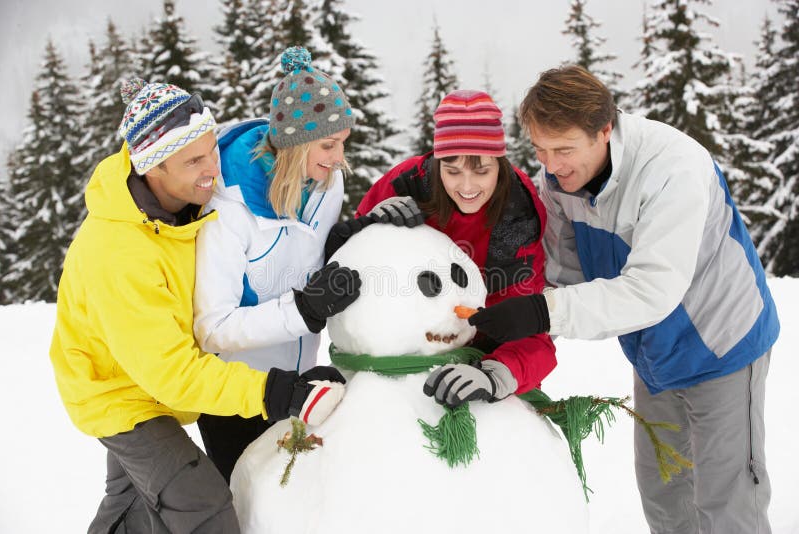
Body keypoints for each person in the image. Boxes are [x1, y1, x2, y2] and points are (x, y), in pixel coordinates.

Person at [468, 66, 779, 533]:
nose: (551, 165)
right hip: (653, 353)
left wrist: (541, 312)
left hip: (722, 343)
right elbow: (564, 273)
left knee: (726, 498)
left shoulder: (672, 170)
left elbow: (651, 289)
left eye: (564, 150)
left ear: (605, 129)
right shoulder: (559, 180)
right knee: (664, 491)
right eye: (541, 150)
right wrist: (506, 309)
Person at [49, 76, 351, 533]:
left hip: (153, 378)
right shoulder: (120, 254)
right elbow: (172, 371)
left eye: (212, 149)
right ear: (153, 168)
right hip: (121, 395)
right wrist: (272, 392)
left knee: (131, 507)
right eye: (194, 160)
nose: (214, 167)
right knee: (205, 506)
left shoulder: (186, 201)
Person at [191, 46, 378, 483]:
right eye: (328, 145)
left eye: (342, 144)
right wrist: (304, 310)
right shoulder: (229, 208)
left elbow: (308, 257)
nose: (338, 158)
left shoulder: (327, 181)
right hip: (239, 399)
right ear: (294, 144)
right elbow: (212, 327)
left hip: (302, 386)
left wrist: (351, 239)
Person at [351, 89, 557, 408]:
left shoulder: (518, 214)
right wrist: (368, 229)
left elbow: (531, 329)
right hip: (402, 353)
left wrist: (496, 374)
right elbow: (346, 265)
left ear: (499, 163)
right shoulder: (405, 186)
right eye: (453, 170)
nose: (467, 187)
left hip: (485, 363)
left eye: (481, 170)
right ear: (437, 163)